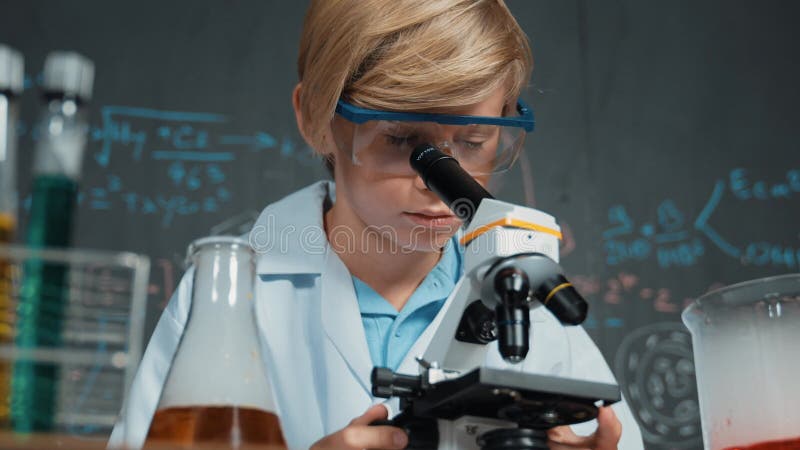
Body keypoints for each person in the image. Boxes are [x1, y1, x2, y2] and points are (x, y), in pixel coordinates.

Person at [109, 1, 644, 449]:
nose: (440, 183)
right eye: (401, 140)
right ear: (316, 118)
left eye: (474, 141)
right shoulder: (230, 295)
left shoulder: (521, 291)